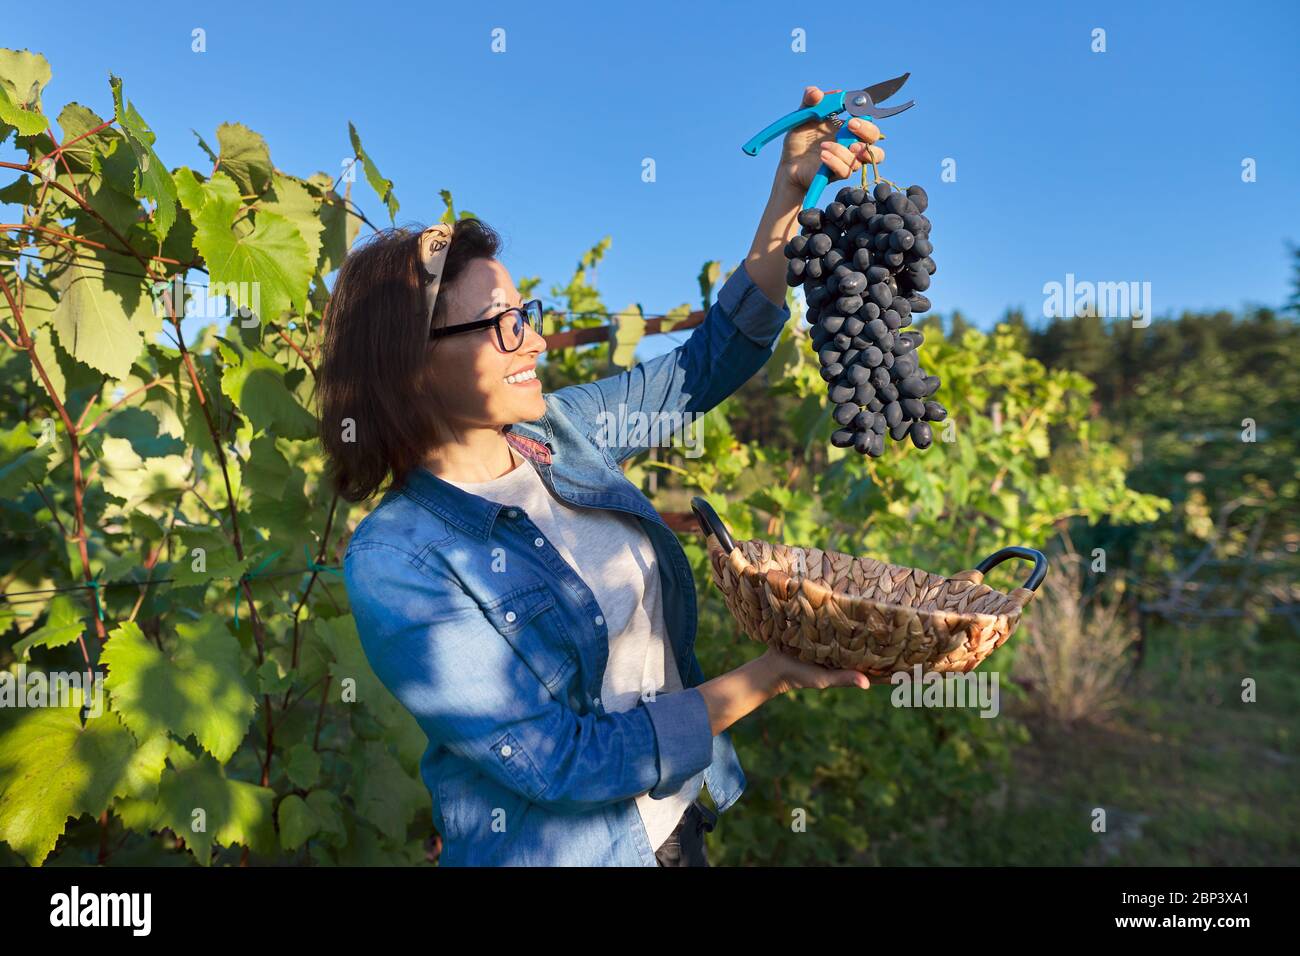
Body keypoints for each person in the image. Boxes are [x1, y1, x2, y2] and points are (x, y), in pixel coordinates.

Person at [318, 86, 885, 866]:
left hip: (675, 830)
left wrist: (786, 197)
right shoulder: (398, 560)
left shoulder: (558, 433)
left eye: (529, 313)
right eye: (504, 325)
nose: (537, 343)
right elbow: (561, 761)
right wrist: (767, 678)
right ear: (409, 366)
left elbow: (706, 362)